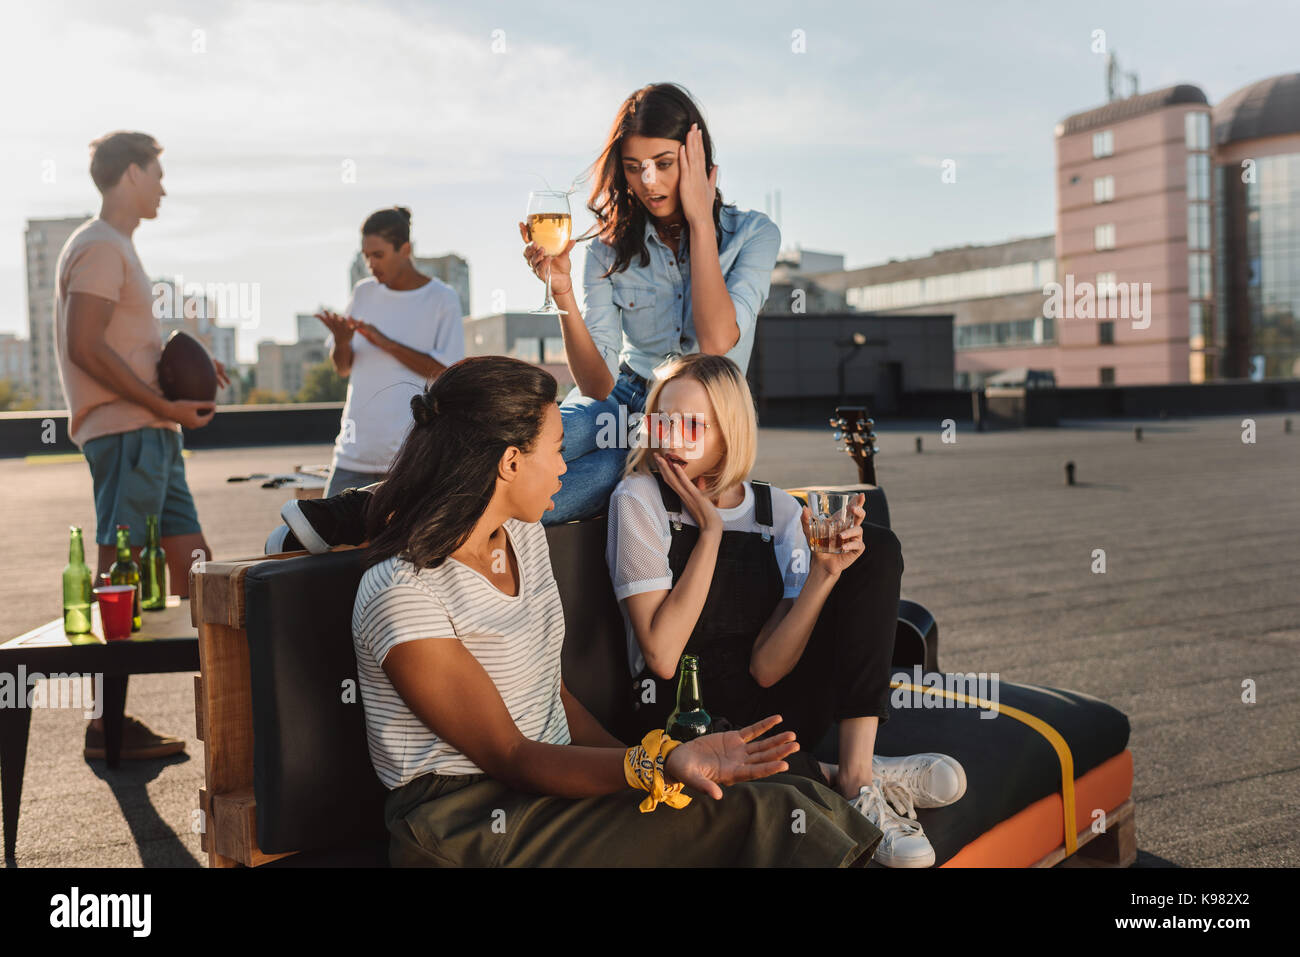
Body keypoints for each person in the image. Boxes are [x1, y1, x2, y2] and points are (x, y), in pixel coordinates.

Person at [352, 355, 883, 866]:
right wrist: (653, 763)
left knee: (791, 789)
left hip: (554, 780)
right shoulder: (403, 593)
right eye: (559, 450)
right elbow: (510, 754)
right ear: (510, 462)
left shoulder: (522, 537)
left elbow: (551, 699)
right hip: (469, 819)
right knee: (774, 814)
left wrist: (653, 760)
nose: (568, 467)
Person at [605, 353, 968, 867]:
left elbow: (768, 668)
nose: (669, 438)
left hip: (766, 699)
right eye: (660, 420)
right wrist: (709, 531)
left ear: (729, 429)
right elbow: (663, 657)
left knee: (875, 548)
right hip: (684, 715)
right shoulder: (638, 499)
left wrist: (823, 574)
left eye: (690, 424)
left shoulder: (776, 509)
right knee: (785, 787)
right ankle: (837, 775)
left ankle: (858, 776)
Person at [518, 82, 781, 526]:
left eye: (664, 164)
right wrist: (560, 287)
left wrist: (700, 220)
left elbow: (717, 341)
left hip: (701, 414)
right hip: (624, 395)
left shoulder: (753, 235)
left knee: (606, 472)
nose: (648, 181)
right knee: (553, 432)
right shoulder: (606, 249)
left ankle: (456, 523)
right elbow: (598, 386)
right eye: (634, 167)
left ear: (697, 161)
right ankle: (397, 505)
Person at [55, 131, 227, 760]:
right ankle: (106, 727)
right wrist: (162, 405)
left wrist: (195, 372)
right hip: (129, 433)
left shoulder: (117, 246)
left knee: (199, 572)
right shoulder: (100, 246)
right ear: (130, 173)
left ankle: (236, 720)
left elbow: (121, 347)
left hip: (152, 434)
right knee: (119, 581)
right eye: (157, 173)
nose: (163, 185)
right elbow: (84, 345)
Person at [314, 206, 464, 499]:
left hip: (411, 460)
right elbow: (343, 368)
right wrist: (342, 341)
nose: (371, 264)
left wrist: (386, 343)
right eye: (366, 256)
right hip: (352, 456)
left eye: (378, 255)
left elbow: (446, 373)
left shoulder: (442, 299)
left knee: (407, 546)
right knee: (326, 543)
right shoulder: (363, 292)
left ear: (405, 249)